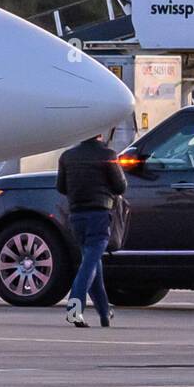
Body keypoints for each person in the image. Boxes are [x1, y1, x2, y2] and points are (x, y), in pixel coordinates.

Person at [57, 133, 127, 328]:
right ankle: (74, 307)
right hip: (99, 215)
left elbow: (61, 187)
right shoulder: (108, 154)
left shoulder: (67, 156)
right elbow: (121, 186)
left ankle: (105, 312)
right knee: (89, 264)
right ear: (100, 133)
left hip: (76, 215)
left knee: (93, 262)